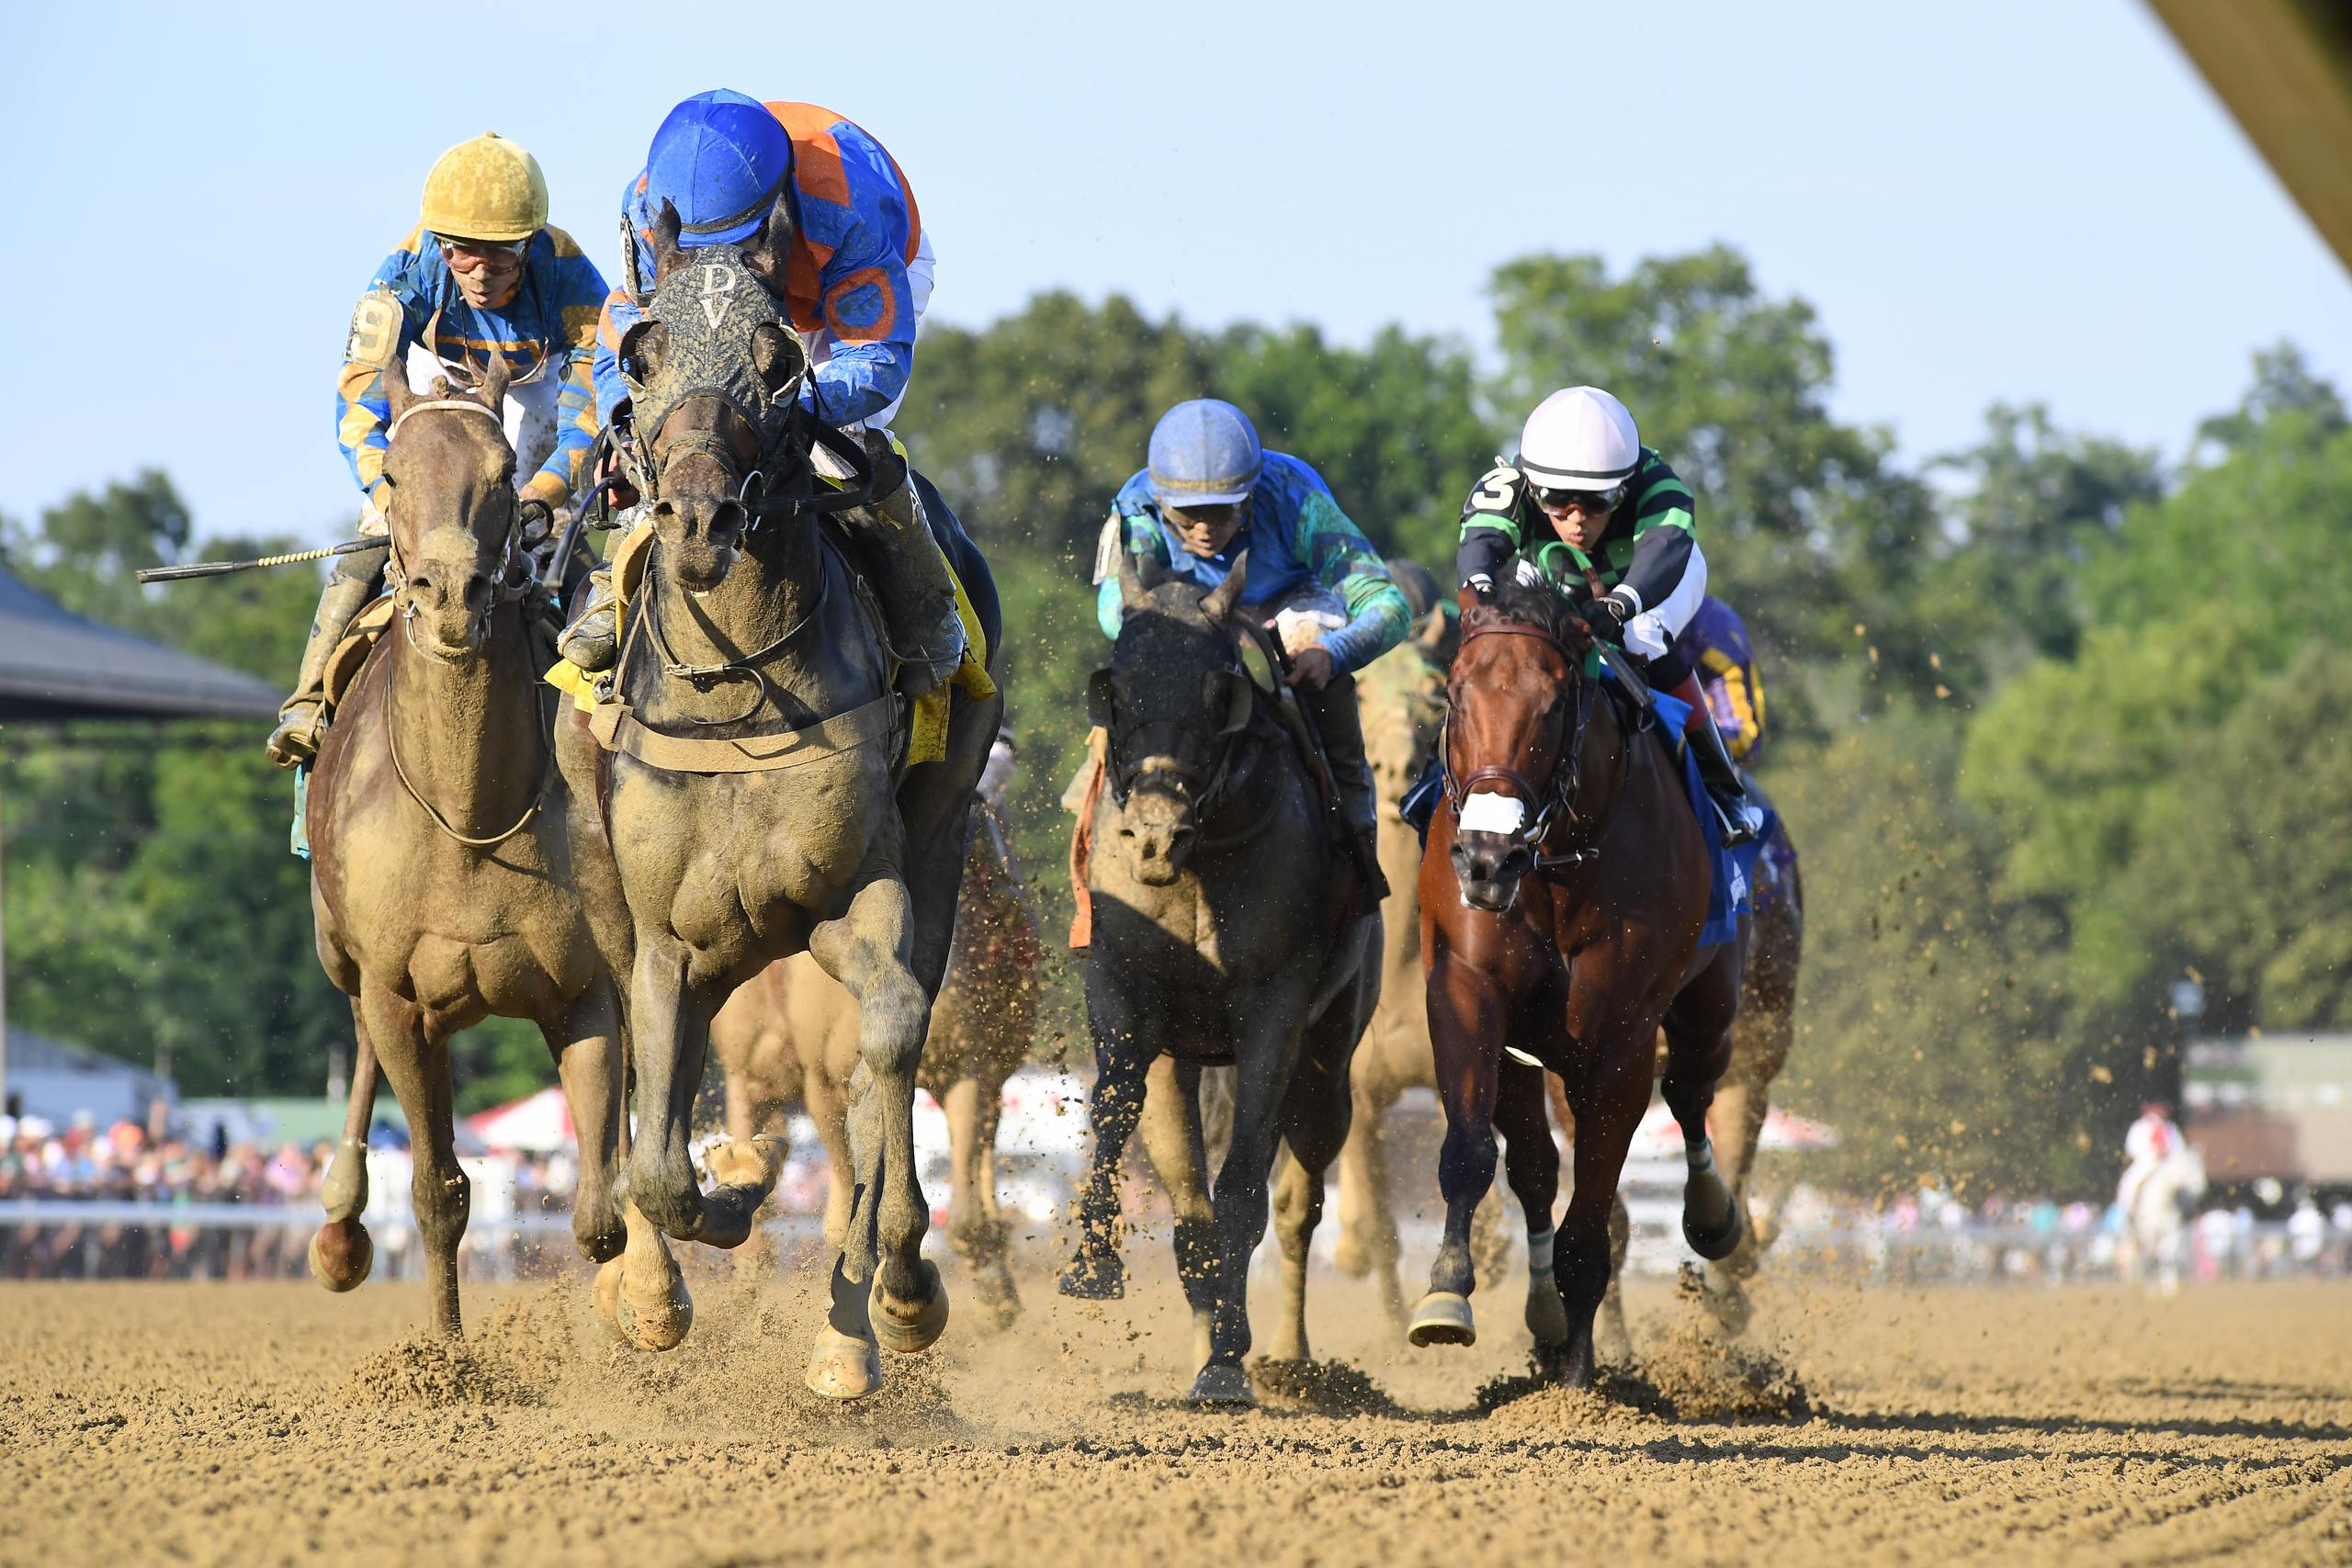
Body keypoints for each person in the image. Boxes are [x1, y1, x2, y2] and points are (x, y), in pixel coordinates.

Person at [559, 90, 963, 694]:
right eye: (699, 251)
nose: (720, 262)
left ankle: (923, 602)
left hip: (837, 304)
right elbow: (630, 326)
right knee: (666, 437)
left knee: (839, 445)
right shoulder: (648, 204)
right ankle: (610, 587)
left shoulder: (844, 210)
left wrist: (785, 407)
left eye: (739, 244)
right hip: (728, 313)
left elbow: (874, 359)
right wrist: (631, 413)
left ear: (774, 206)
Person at [267, 132, 610, 768]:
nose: (481, 271)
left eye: (502, 255)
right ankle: (309, 701)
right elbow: (358, 397)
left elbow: (589, 406)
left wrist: (545, 496)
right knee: (375, 535)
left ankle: (610, 703)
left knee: (561, 537)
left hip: (541, 394)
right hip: (435, 391)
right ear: (439, 244)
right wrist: (387, 493)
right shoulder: (401, 273)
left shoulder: (573, 277)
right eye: (463, 253)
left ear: (530, 243)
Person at [1096, 398, 1409, 896]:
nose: (1203, 529)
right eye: (1187, 514)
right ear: (1160, 501)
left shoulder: (1297, 500)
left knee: (1304, 635)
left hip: (1290, 605)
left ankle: (1353, 813)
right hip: (1190, 619)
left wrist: (1333, 652)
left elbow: (1390, 605)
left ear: (1250, 495)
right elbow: (1114, 609)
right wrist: (1196, 633)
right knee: (1140, 667)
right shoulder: (1135, 504)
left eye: (1220, 513)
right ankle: (1090, 830)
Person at [1454, 386, 1762, 842]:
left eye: (1596, 503)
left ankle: (1723, 788)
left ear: (1623, 489)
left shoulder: (1660, 486)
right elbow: (1481, 539)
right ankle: (1435, 776)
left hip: (1653, 576)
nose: (1576, 519)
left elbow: (1663, 550)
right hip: (1550, 568)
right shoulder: (1511, 482)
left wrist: (1617, 606)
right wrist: (1477, 590)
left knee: (1641, 638)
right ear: (1535, 486)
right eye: (1557, 500)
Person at [2117, 1100, 2182, 1215]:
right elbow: (2132, 1148)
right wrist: (2152, 1152)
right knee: (2130, 1185)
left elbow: (2179, 1149)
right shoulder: (2140, 1126)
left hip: (2168, 1165)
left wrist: (2168, 1153)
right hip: (2145, 1164)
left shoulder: (2171, 1128)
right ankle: (2127, 1213)